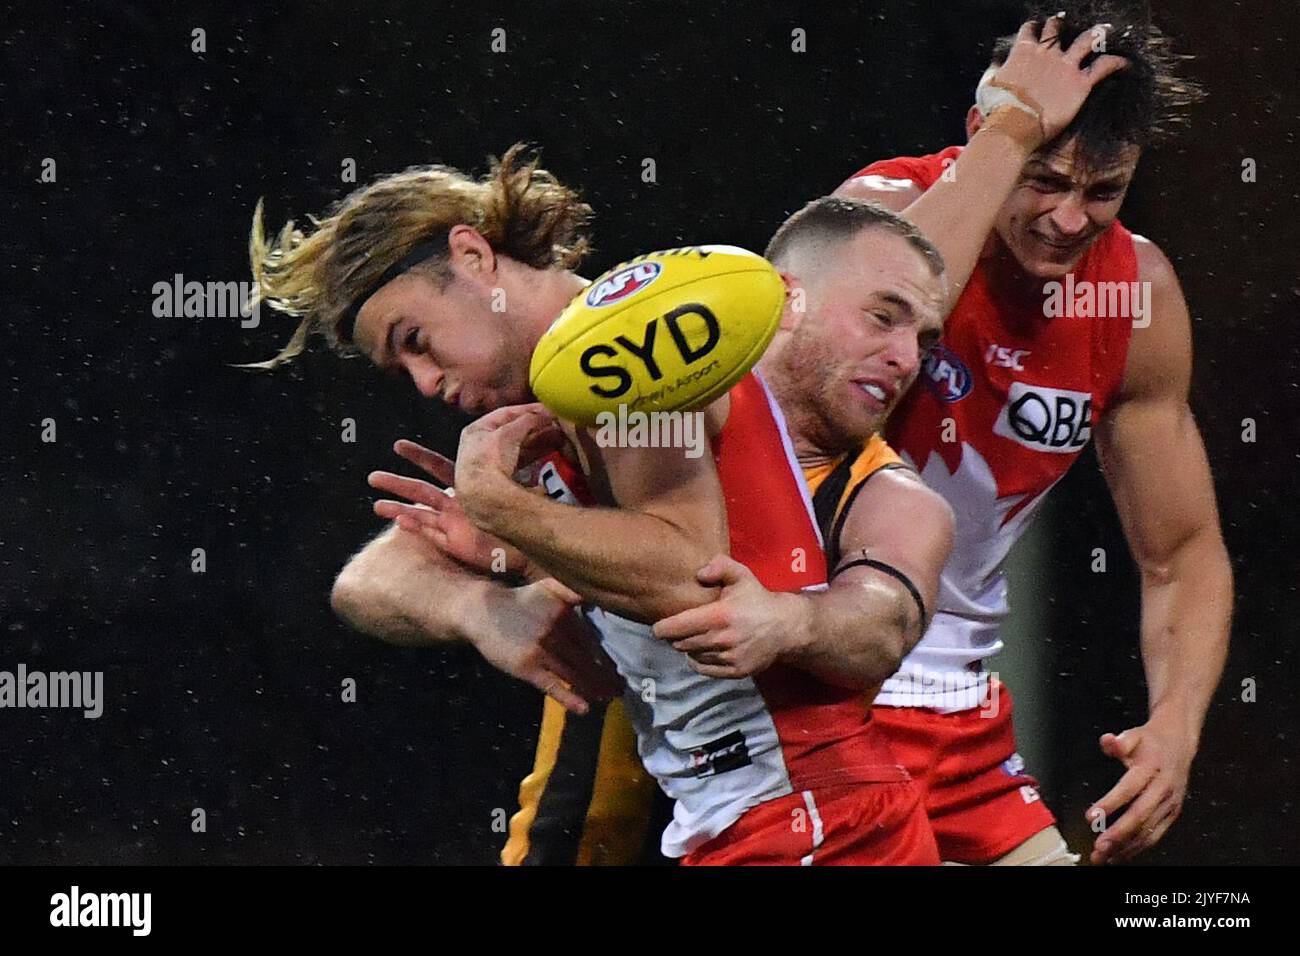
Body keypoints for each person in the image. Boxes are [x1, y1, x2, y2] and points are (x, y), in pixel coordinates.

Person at [827, 5, 1232, 866]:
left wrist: (1176, 726)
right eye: (1044, 178)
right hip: (824, 696)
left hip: (965, 723)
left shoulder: (1136, 294)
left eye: (1103, 190)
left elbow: (1184, 552)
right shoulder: (877, 210)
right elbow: (884, 322)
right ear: (984, 132)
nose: (1069, 219)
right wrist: (1009, 136)